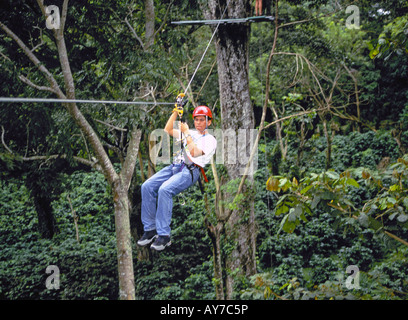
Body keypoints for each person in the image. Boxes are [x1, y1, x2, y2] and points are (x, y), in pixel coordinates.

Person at [137, 103, 217, 251]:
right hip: (175, 166)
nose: (199, 123)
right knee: (147, 186)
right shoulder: (191, 132)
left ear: (209, 122)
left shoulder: (210, 140)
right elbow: (167, 129)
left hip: (190, 171)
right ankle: (150, 230)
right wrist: (175, 111)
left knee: (164, 190)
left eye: (202, 120)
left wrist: (186, 132)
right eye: (196, 120)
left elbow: (193, 152)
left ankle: (164, 236)